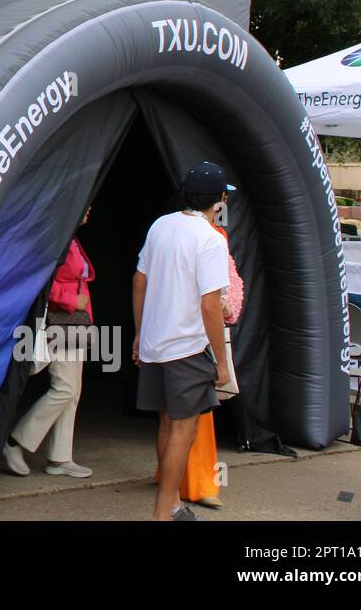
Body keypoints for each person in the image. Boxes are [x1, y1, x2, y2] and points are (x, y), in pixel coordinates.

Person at [133, 162, 233, 521]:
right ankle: (164, 512)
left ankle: (172, 502)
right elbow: (210, 304)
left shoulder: (161, 225)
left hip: (156, 343)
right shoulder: (209, 238)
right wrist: (221, 362)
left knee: (166, 424)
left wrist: (141, 332)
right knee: (183, 430)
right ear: (220, 200)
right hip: (187, 347)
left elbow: (139, 281)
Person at [156, 211, 245, 509]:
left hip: (167, 340)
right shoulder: (212, 238)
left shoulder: (167, 230)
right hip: (193, 342)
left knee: (172, 419)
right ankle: (191, 487)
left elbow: (229, 294)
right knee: (191, 422)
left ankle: (171, 487)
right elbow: (221, 298)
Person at [1, 207, 95, 479]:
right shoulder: (57, 239)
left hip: (74, 322)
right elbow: (41, 280)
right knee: (65, 388)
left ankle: (59, 457)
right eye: (85, 205)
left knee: (71, 391)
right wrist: (69, 300)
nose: (89, 209)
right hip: (62, 319)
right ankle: (16, 441)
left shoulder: (71, 239)